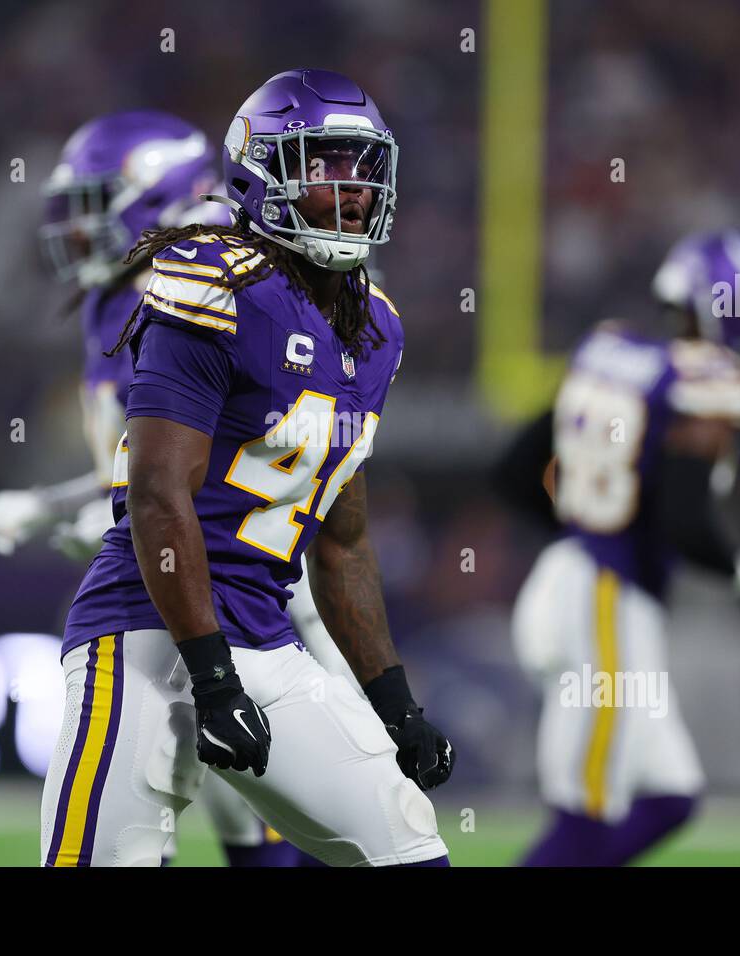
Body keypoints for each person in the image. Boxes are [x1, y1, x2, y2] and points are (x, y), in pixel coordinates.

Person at [40, 69, 453, 867]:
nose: (353, 189)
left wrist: (396, 706)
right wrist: (211, 676)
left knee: (408, 846)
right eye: (324, 164)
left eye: (363, 167)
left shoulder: (375, 328)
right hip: (145, 636)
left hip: (264, 639)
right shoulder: (210, 281)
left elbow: (342, 540)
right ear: (258, 171)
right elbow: (159, 495)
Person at [0, 110, 313, 865]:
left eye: (94, 207)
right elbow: (135, 469)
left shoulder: (190, 295)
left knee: (255, 807)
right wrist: (63, 505)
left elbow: (191, 478)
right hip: (183, 583)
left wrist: (90, 509)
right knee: (221, 805)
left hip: (246, 586)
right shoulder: (120, 295)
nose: (74, 233)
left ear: (159, 197)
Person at [499, 230, 740, 866]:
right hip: (607, 600)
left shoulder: (610, 351)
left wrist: (583, 532)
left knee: (670, 798)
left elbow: (516, 471)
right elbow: (687, 520)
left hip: (573, 581)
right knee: (585, 821)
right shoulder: (701, 382)